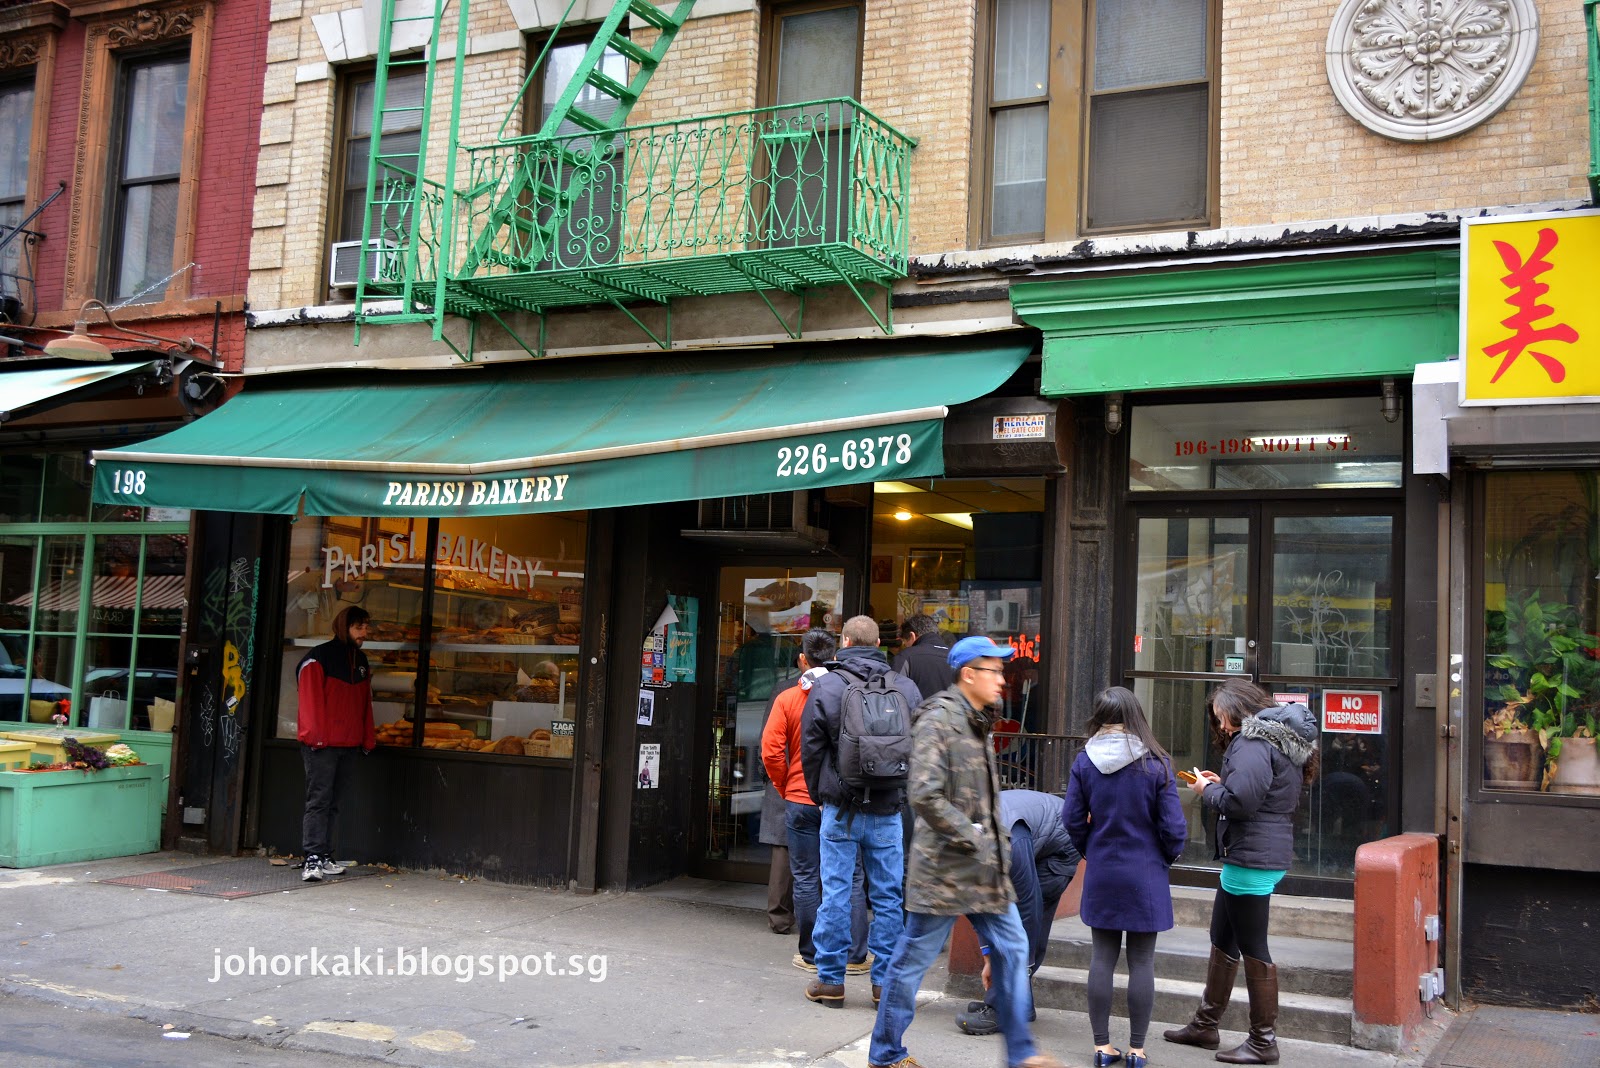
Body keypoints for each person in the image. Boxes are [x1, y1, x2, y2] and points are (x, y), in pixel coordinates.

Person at [867, 635, 1064, 1068]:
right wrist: (974, 836)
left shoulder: (977, 719)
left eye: (1002, 671)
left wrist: (992, 847)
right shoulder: (939, 719)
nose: (1002, 680)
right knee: (909, 964)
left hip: (983, 872)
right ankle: (885, 1054)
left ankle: (1021, 1054)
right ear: (968, 674)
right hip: (945, 872)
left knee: (1014, 951)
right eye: (993, 671)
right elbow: (924, 795)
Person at [1164, 679, 1320, 1065]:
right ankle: (1206, 1023)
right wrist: (1222, 784)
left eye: (1221, 717)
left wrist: (1205, 790)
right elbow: (1255, 793)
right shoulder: (1275, 739)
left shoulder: (1252, 742)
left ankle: (1263, 1041)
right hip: (1255, 853)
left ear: (1237, 710)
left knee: (1253, 947)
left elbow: (1242, 803)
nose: (1220, 726)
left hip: (1252, 856)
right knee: (1222, 935)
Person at [800, 615, 922, 1008]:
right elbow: (917, 747)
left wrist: (823, 795)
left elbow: (811, 749)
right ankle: (884, 983)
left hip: (840, 807)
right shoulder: (905, 687)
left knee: (835, 892)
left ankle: (831, 980)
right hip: (888, 808)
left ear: (846, 641)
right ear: (879, 643)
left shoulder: (828, 685)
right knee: (888, 897)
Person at [1063, 687, 1188, 1068]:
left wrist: (1091, 849)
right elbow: (1174, 828)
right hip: (1146, 870)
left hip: (1103, 868)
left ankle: (1101, 1047)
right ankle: (1136, 1050)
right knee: (1142, 962)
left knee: (1101, 958)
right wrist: (1165, 857)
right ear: (1136, 715)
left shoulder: (1085, 761)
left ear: (1098, 715)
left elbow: (1070, 819)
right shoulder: (1156, 762)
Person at [761, 628, 871, 974]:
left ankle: (811, 953)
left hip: (799, 798)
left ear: (802, 659)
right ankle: (855, 955)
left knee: (806, 877)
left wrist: (785, 785)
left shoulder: (789, 697)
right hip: (843, 797)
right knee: (851, 878)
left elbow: (771, 752)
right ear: (836, 655)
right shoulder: (850, 693)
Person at [955, 787, 1083, 1037]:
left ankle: (1003, 1009)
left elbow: (1027, 911)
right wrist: (988, 957)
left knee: (1024, 924)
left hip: (1060, 847)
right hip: (1034, 835)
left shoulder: (1007, 840)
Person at [295, 604, 376, 882]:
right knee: (319, 801)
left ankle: (325, 855)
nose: (364, 632)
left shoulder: (362, 661)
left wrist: (366, 739)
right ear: (345, 628)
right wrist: (316, 738)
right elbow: (309, 701)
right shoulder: (318, 659)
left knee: (333, 803)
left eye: (366, 626)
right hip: (323, 745)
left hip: (348, 745)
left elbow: (365, 703)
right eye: (358, 627)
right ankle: (312, 858)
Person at [892, 614, 954, 699]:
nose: (905, 646)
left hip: (917, 711)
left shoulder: (906, 656)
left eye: (905, 643)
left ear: (912, 636)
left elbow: (894, 696)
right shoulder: (957, 658)